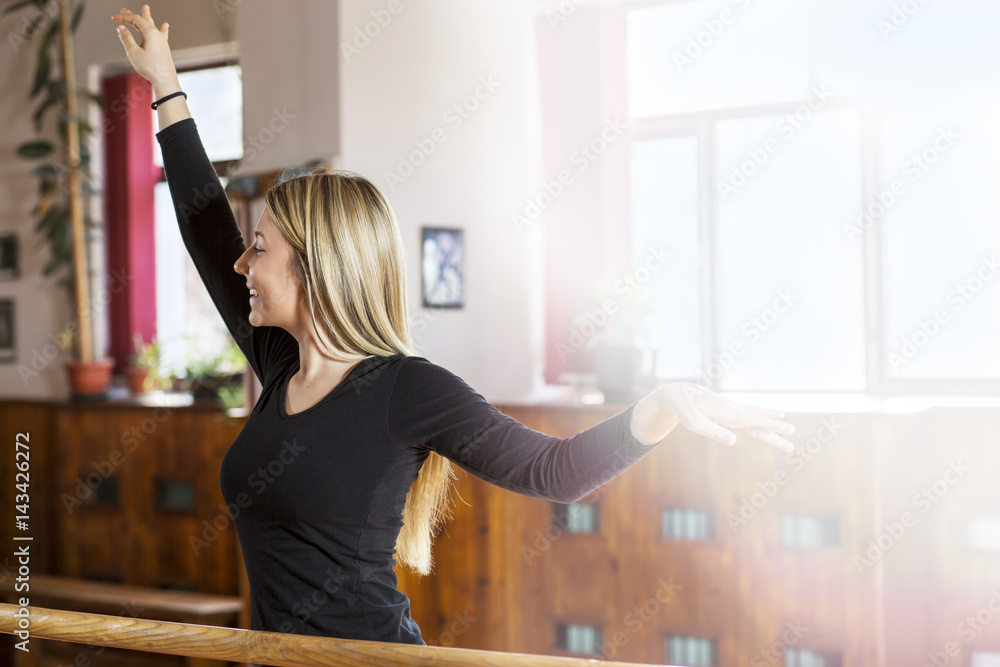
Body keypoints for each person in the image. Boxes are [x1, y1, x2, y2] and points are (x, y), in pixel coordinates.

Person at [111, 4, 796, 651]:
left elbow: (552, 469)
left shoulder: (406, 389)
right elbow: (206, 231)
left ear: (316, 270)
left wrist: (658, 407)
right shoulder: (279, 360)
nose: (241, 262)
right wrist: (167, 83)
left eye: (259, 248)